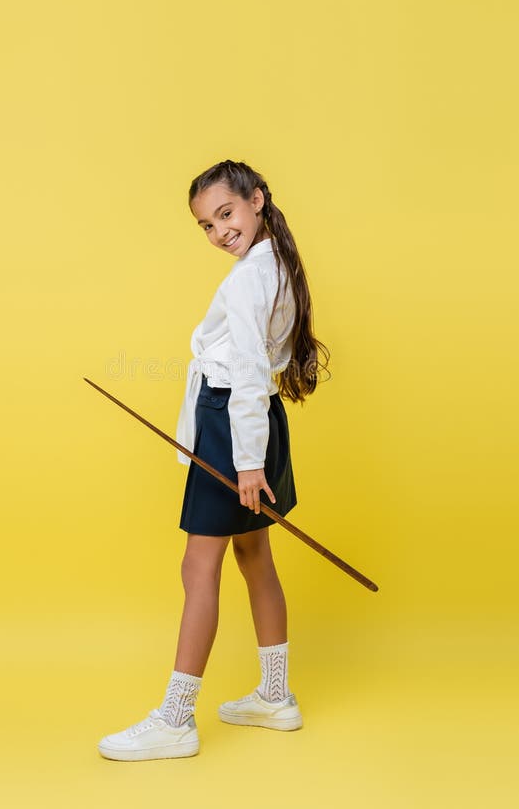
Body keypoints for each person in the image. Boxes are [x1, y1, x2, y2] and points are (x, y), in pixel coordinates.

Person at [98, 159, 330, 761]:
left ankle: (175, 721)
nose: (218, 231)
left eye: (225, 213)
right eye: (206, 224)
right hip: (258, 423)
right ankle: (275, 699)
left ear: (256, 200)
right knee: (254, 554)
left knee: (199, 568)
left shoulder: (251, 277)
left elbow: (250, 370)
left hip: (235, 427)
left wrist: (246, 463)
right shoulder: (275, 256)